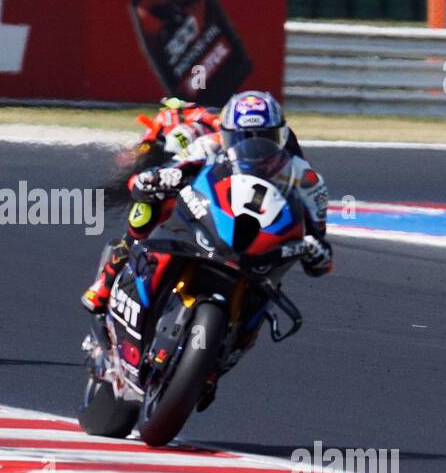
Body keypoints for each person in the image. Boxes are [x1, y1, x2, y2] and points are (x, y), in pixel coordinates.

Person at [82, 89, 332, 314]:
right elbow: (173, 166)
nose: (254, 147)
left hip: (259, 238)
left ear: (281, 136)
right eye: (243, 138)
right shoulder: (210, 143)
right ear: (227, 135)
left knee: (270, 291)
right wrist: (163, 175)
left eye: (264, 138)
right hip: (212, 212)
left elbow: (320, 246)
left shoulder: (303, 175)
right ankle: (109, 278)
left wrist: (317, 252)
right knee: (147, 207)